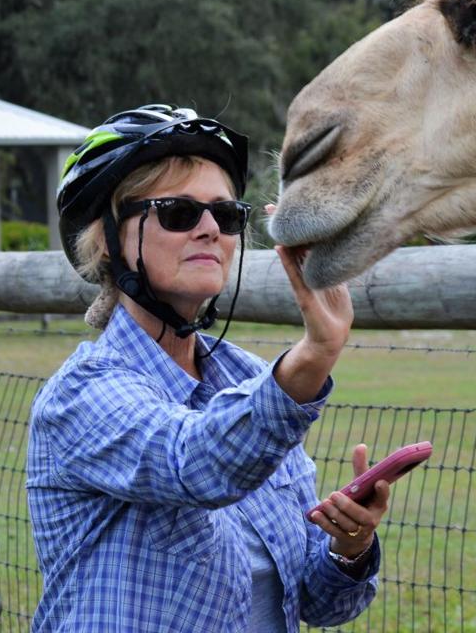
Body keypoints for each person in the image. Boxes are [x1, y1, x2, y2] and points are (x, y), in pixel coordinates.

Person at [28, 105, 387, 632]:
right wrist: (312, 357)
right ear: (106, 238)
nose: (207, 230)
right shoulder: (80, 396)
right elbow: (195, 463)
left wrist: (348, 546)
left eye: (224, 215)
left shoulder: (249, 381)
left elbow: (320, 603)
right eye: (177, 212)